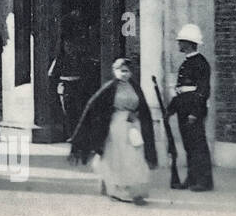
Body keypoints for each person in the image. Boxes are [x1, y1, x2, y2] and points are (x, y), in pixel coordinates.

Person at [68, 58, 158, 204]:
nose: (124, 74)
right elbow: (93, 105)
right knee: (119, 156)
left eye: (127, 71)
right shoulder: (110, 88)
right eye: (121, 71)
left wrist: (136, 114)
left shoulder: (135, 87)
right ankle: (117, 189)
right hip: (117, 126)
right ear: (115, 71)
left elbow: (142, 107)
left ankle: (135, 190)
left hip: (134, 126)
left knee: (135, 156)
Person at [167, 24, 214, 192]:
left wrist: (195, 113)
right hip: (183, 107)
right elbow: (180, 90)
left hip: (193, 109)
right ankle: (192, 177)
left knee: (198, 145)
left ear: (188, 42)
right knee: (188, 145)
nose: (179, 44)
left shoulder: (200, 63)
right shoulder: (187, 62)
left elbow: (203, 91)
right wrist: (170, 109)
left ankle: (204, 181)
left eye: (181, 41)